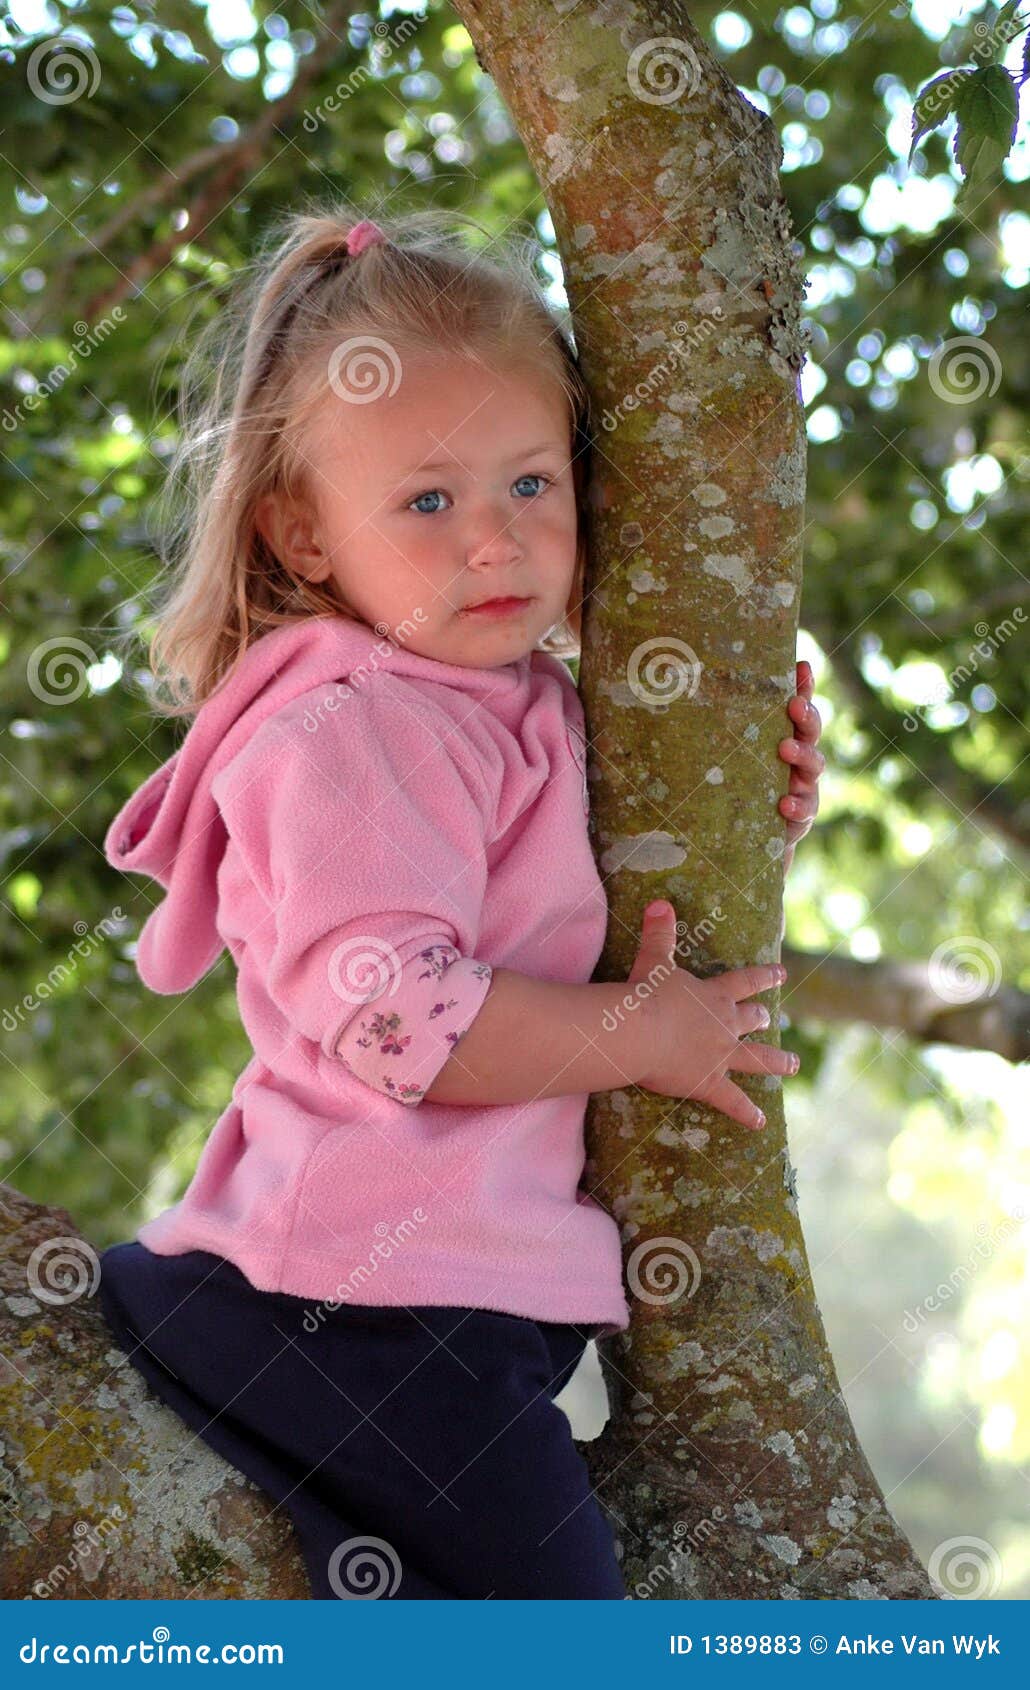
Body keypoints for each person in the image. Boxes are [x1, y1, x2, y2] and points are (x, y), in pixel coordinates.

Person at [96, 204, 824, 1601]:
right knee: (560, 1629)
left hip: (430, 1312)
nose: (492, 543)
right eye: (427, 502)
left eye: (530, 485)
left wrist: (758, 800)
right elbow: (399, 1020)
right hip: (348, 1312)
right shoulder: (355, 725)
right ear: (302, 533)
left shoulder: (512, 702)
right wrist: (639, 1038)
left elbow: (581, 880)